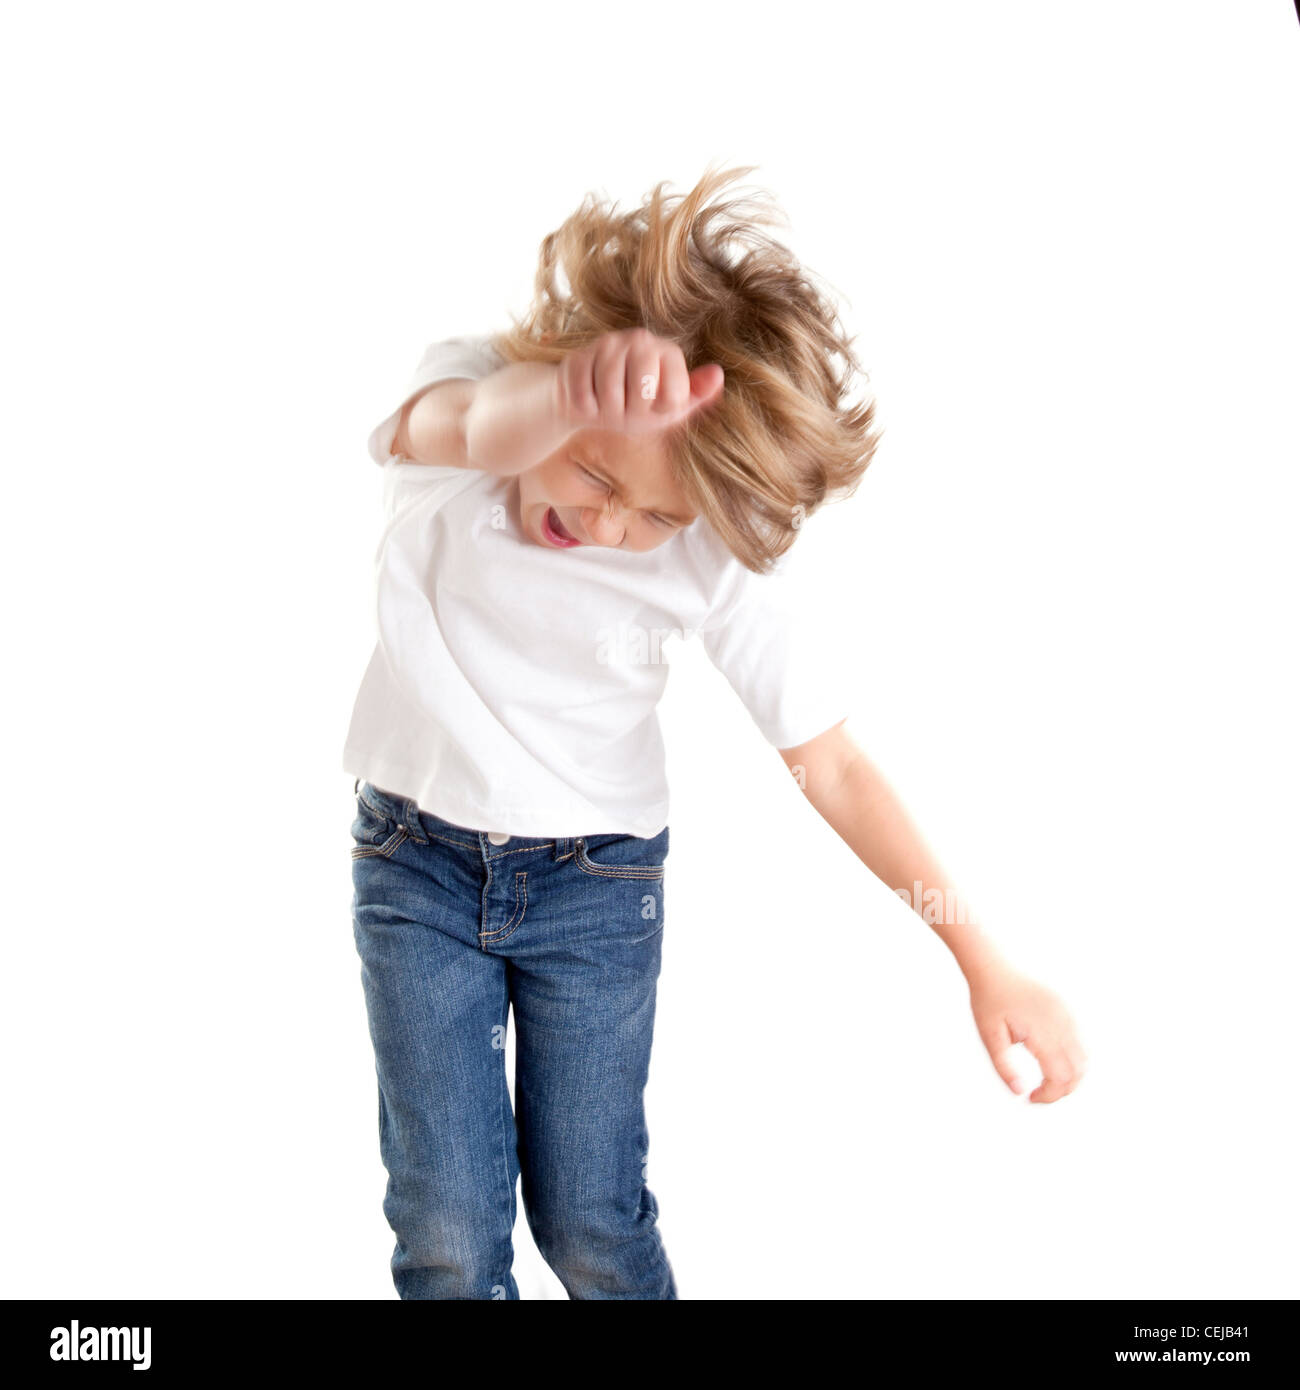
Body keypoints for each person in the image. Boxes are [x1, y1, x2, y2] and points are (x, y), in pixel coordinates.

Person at [342, 164, 1086, 1301]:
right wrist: (571, 402)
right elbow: (478, 427)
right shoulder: (473, 394)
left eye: (654, 516)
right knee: (445, 1220)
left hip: (594, 888)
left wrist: (980, 957)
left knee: (589, 1216)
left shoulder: (701, 546)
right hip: (416, 867)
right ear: (562, 365)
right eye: (597, 471)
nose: (607, 524)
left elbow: (830, 763)